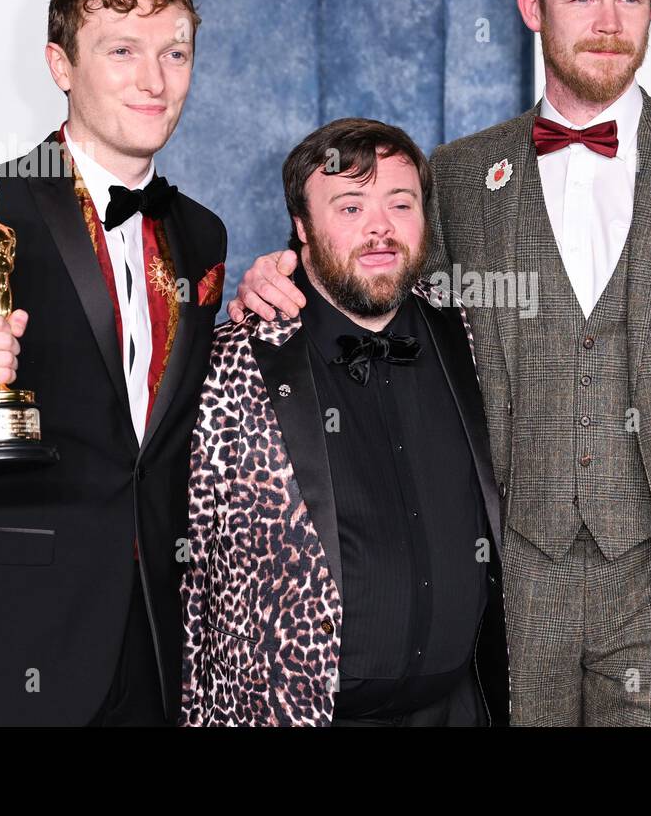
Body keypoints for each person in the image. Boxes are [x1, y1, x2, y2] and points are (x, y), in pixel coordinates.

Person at [228, 0, 651, 726]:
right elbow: (385, 312)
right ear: (533, 7)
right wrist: (277, 280)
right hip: (502, 576)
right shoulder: (459, 175)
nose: (609, 21)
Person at [0, 0, 227, 726]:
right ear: (60, 66)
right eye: (122, 51)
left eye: (176, 52)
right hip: (8, 645)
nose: (155, 81)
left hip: (158, 652)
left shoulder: (202, 235)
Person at [180, 118, 508, 726]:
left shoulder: (475, 340)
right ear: (301, 228)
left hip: (461, 710)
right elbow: (183, 567)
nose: (380, 226)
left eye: (399, 203)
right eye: (350, 205)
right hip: (295, 715)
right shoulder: (231, 359)